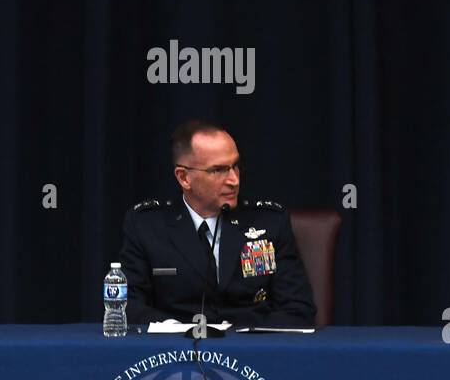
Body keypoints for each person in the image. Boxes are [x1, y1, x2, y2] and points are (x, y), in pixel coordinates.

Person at [119, 120, 317, 327]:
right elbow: (126, 305)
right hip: (177, 351)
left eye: (235, 166)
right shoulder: (147, 226)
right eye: (218, 170)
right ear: (184, 177)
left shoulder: (269, 222)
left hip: (251, 350)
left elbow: (298, 309)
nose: (234, 180)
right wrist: (177, 331)